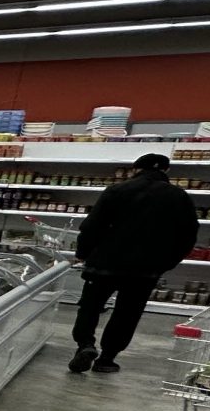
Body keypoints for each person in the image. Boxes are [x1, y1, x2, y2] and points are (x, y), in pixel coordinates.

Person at [69, 152, 201, 374]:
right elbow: (188, 236)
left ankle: (85, 345)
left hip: (104, 263)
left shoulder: (117, 191)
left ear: (135, 169)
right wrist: (166, 263)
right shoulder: (179, 197)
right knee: (127, 313)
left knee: (90, 307)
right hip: (145, 270)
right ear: (166, 171)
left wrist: (83, 252)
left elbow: (92, 226)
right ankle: (107, 358)